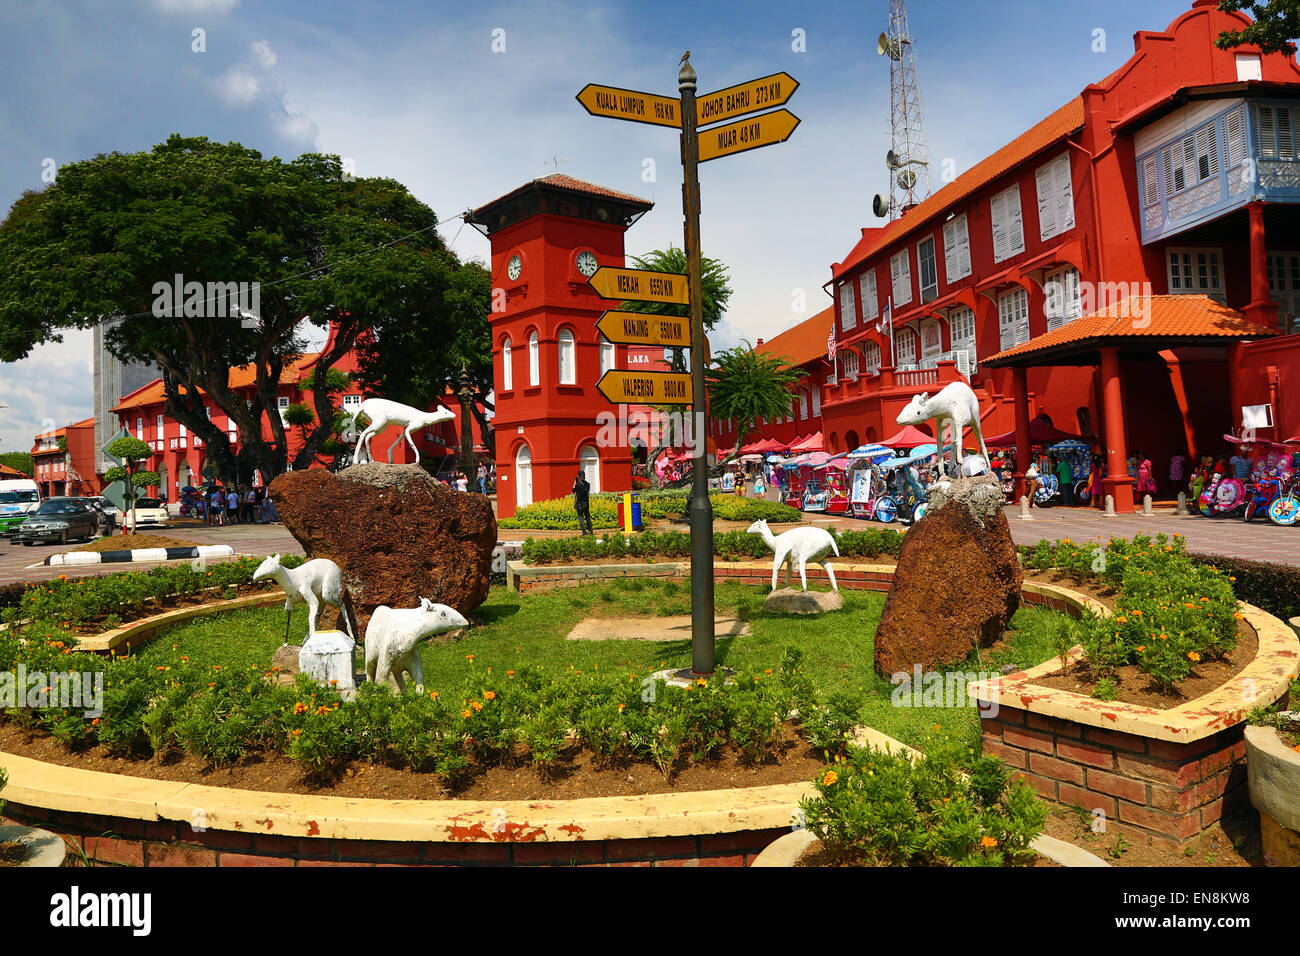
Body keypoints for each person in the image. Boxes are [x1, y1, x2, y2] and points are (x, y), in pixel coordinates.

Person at [572, 469, 593, 536]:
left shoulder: (578, 485)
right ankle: (591, 531)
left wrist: (575, 482)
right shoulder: (588, 484)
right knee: (587, 517)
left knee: (581, 518)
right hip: (586, 503)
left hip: (580, 504)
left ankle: (584, 532)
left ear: (579, 476)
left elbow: (573, 491)